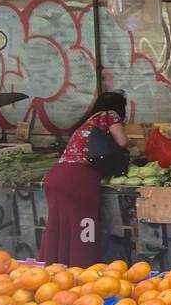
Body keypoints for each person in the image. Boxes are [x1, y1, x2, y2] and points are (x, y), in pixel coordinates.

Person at [40, 91, 128, 268]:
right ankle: (82, 270)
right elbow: (122, 142)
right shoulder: (109, 115)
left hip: (56, 176)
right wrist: (132, 146)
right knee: (83, 228)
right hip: (78, 179)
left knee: (58, 229)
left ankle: (51, 272)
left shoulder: (88, 122)